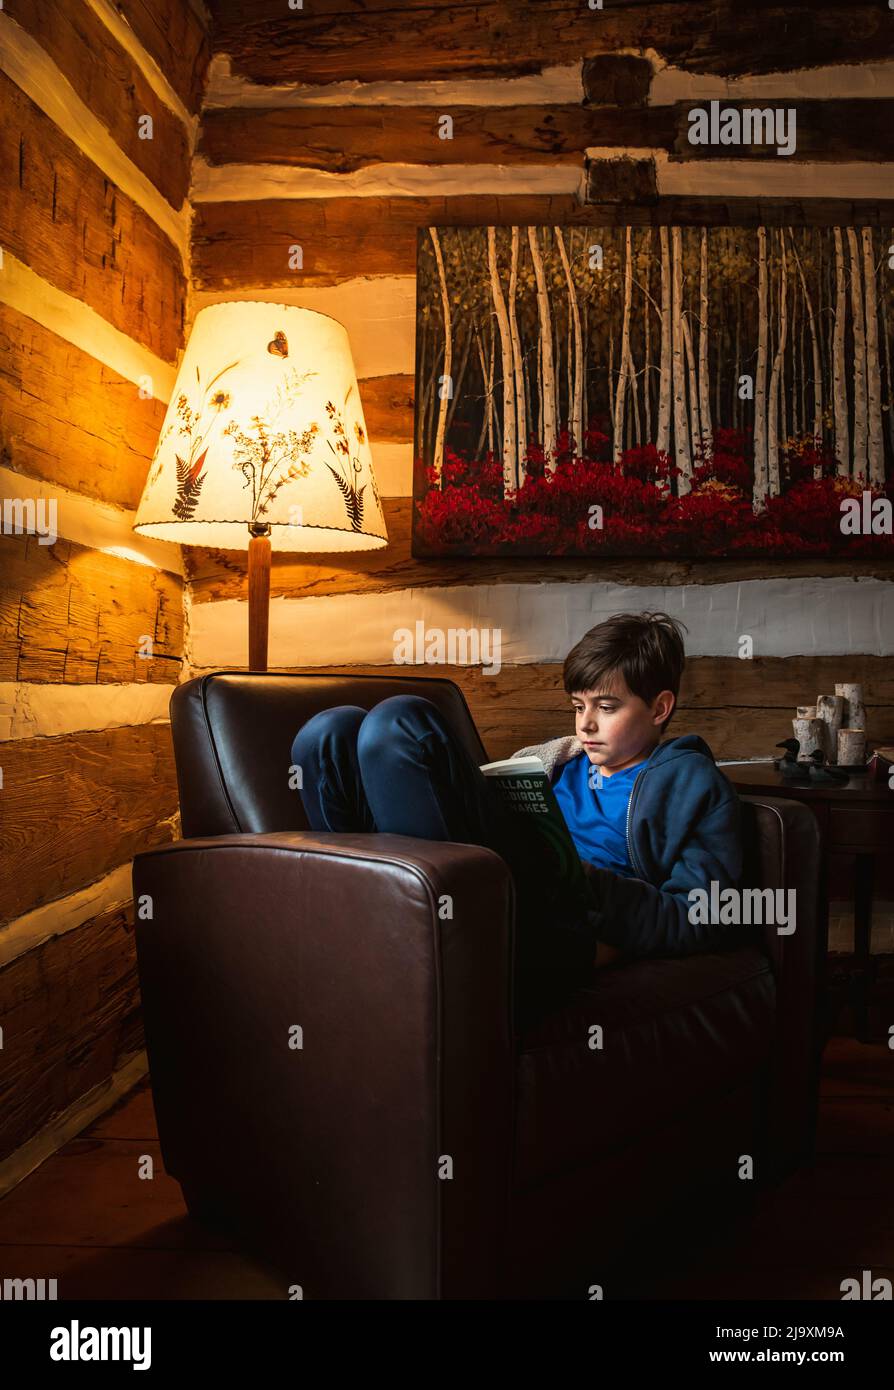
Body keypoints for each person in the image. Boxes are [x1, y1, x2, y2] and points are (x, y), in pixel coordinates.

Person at [290, 611, 743, 1028]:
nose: (585, 725)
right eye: (578, 706)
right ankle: (378, 918)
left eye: (606, 708)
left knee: (400, 722)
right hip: (498, 884)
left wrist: (591, 890)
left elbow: (702, 917)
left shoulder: (689, 783)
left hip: (558, 921)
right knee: (329, 733)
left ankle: (406, 934)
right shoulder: (554, 761)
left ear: (660, 708)